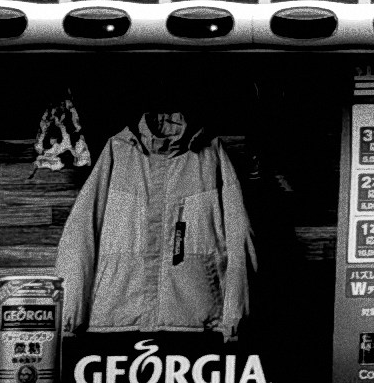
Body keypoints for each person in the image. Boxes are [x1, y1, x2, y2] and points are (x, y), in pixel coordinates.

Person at [55, 104, 256, 338]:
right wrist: (69, 316)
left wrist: (234, 317)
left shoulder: (211, 153)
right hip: (115, 316)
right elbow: (80, 232)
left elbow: (239, 234)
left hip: (197, 319)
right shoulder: (118, 150)